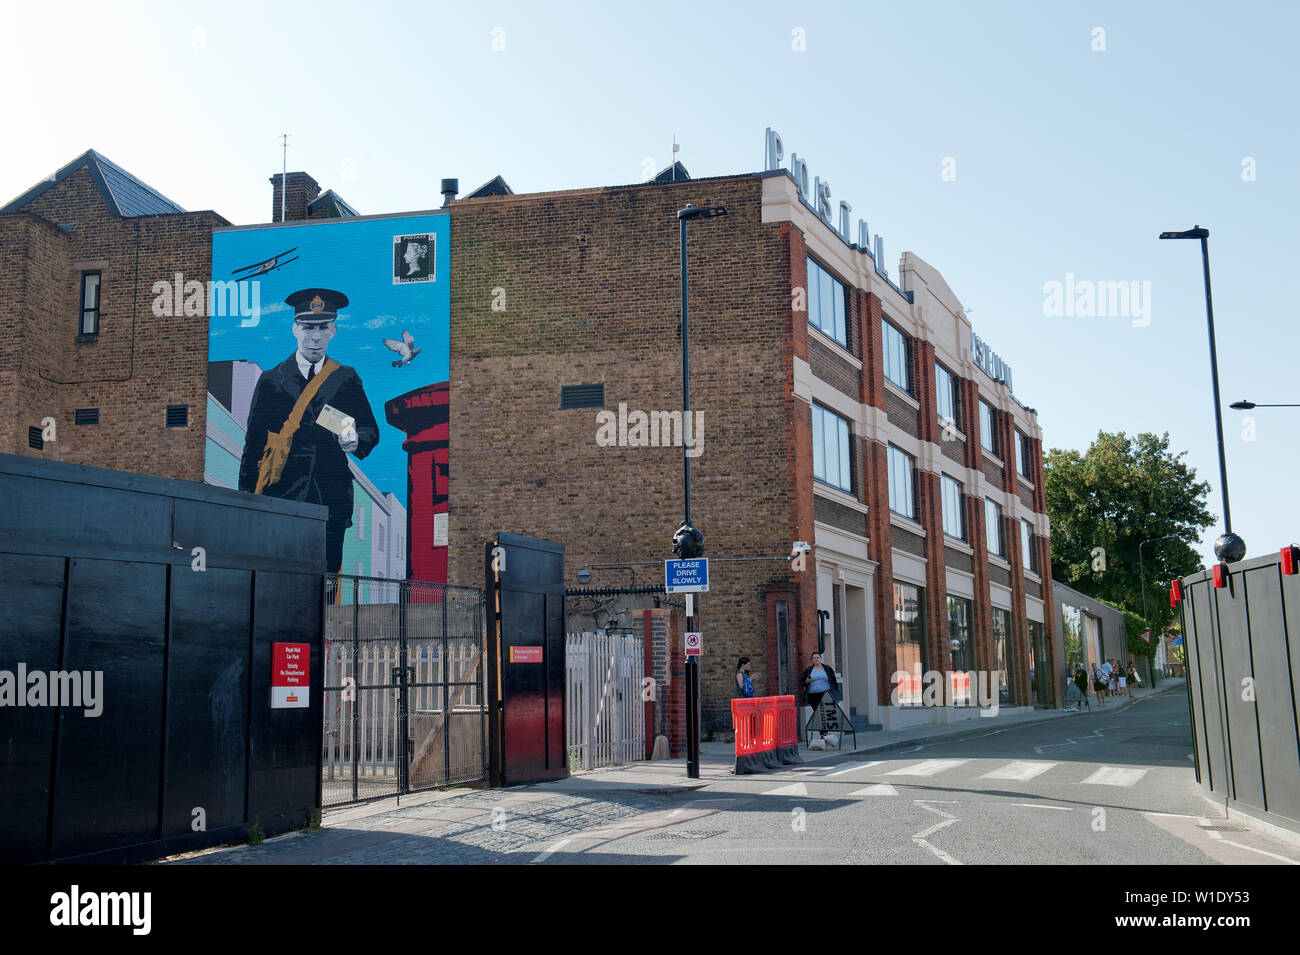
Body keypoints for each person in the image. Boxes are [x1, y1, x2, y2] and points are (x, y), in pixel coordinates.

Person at [239, 288, 381, 585]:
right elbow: (253, 447)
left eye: (322, 328)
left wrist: (356, 438)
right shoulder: (271, 381)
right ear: (295, 329)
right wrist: (246, 503)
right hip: (282, 494)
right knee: (280, 579)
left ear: (334, 330)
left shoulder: (346, 377)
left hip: (331, 495)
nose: (315, 337)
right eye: (307, 327)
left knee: (326, 584)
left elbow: (370, 429)